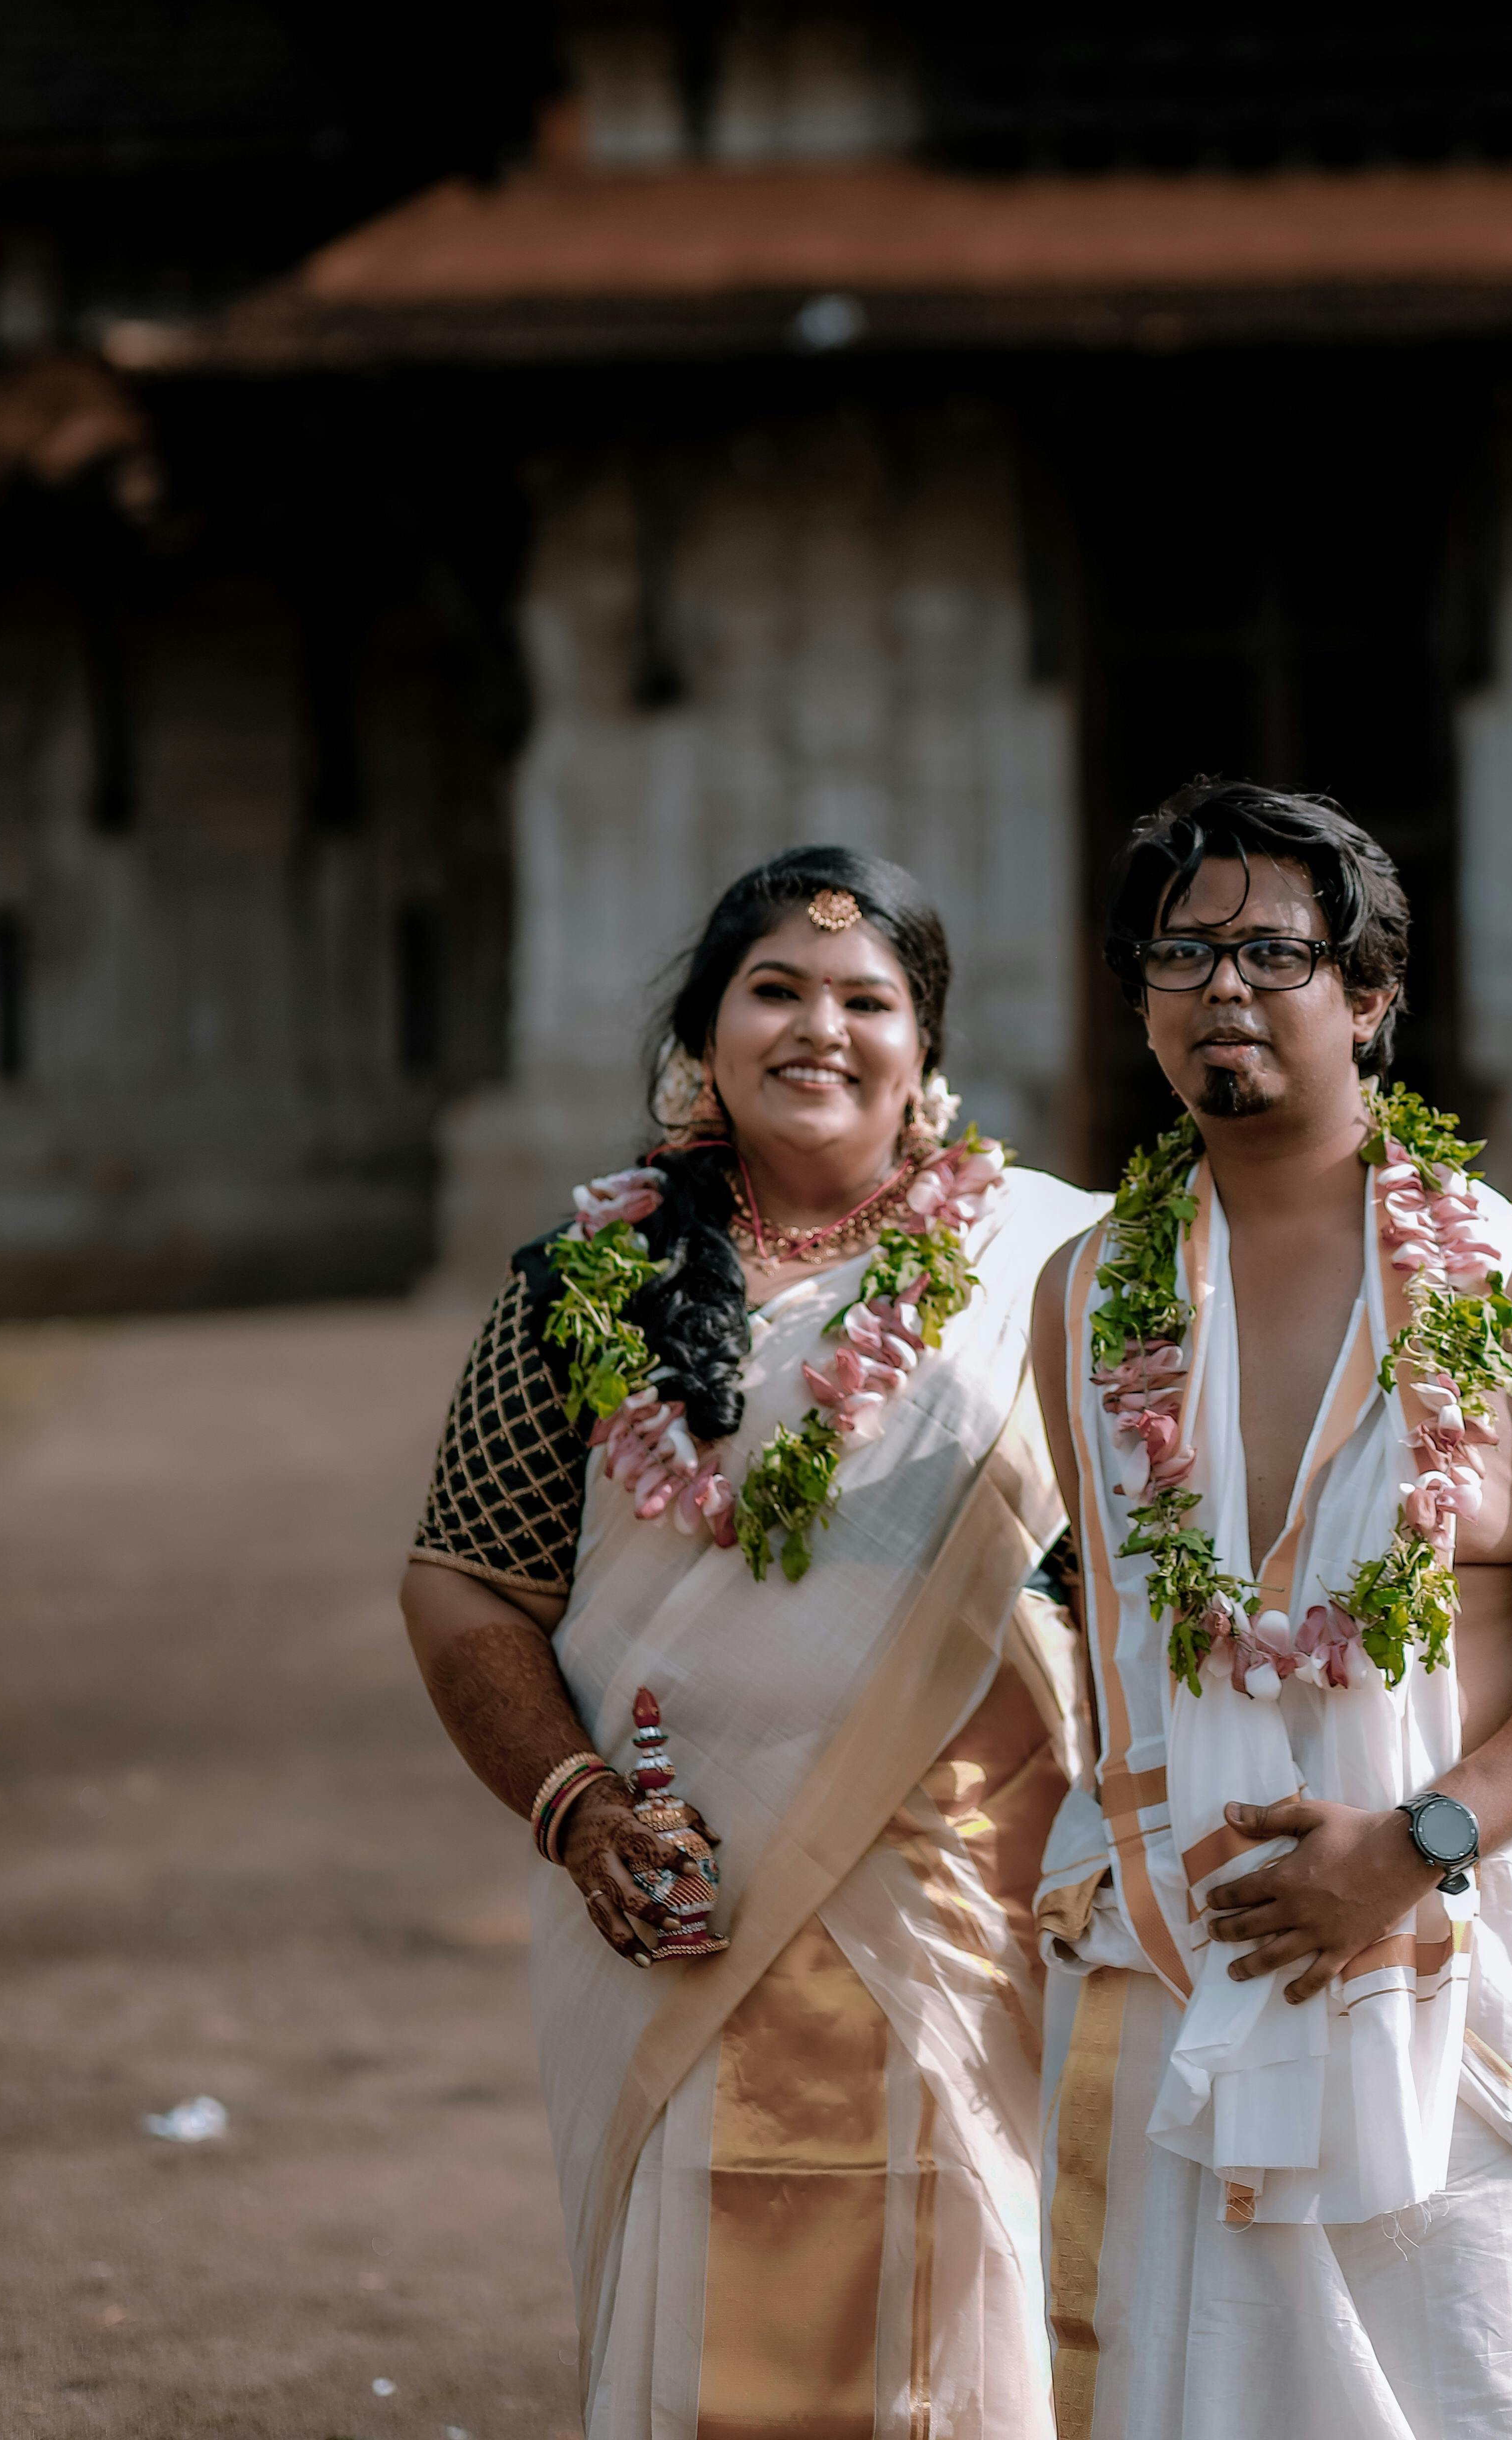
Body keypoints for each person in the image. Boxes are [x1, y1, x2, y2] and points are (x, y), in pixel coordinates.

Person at [402, 846, 1107, 2440]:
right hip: (675, 1899)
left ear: (926, 1051)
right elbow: (462, 1586)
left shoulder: (1060, 1273)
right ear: (703, 1032)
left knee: (978, 2310)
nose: (820, 1030)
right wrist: (579, 1810)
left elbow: (1141, 1574)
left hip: (977, 1908)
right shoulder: (578, 1292)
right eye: (774, 989)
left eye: (869, 1000)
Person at [1029, 779, 1512, 2440]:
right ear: (1139, 1000)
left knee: (1506, 2397)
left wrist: (1413, 1843)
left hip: (1471, 1945)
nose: (1224, 993)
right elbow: (1110, 1640)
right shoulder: (1089, 1295)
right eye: (1179, 957)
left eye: (1275, 951)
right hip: (1199, 1952)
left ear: (1371, 998)